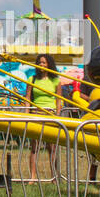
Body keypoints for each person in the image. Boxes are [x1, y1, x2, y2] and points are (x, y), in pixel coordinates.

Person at [27, 53, 60, 183]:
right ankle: (32, 177)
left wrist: (57, 116)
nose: (42, 64)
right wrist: (26, 113)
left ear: (49, 64)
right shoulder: (32, 79)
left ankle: (54, 177)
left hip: (50, 115)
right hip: (36, 114)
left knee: (52, 148)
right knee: (34, 147)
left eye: (44, 62)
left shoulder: (56, 80)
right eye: (40, 62)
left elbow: (58, 100)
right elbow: (28, 97)